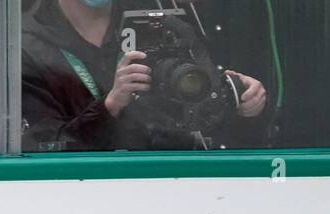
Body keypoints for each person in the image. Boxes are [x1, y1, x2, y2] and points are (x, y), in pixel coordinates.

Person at [22, 0, 269, 151]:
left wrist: (245, 103)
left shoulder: (166, 25)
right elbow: (41, 148)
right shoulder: (28, 47)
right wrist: (110, 107)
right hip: (77, 195)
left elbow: (207, 119)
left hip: (163, 183)